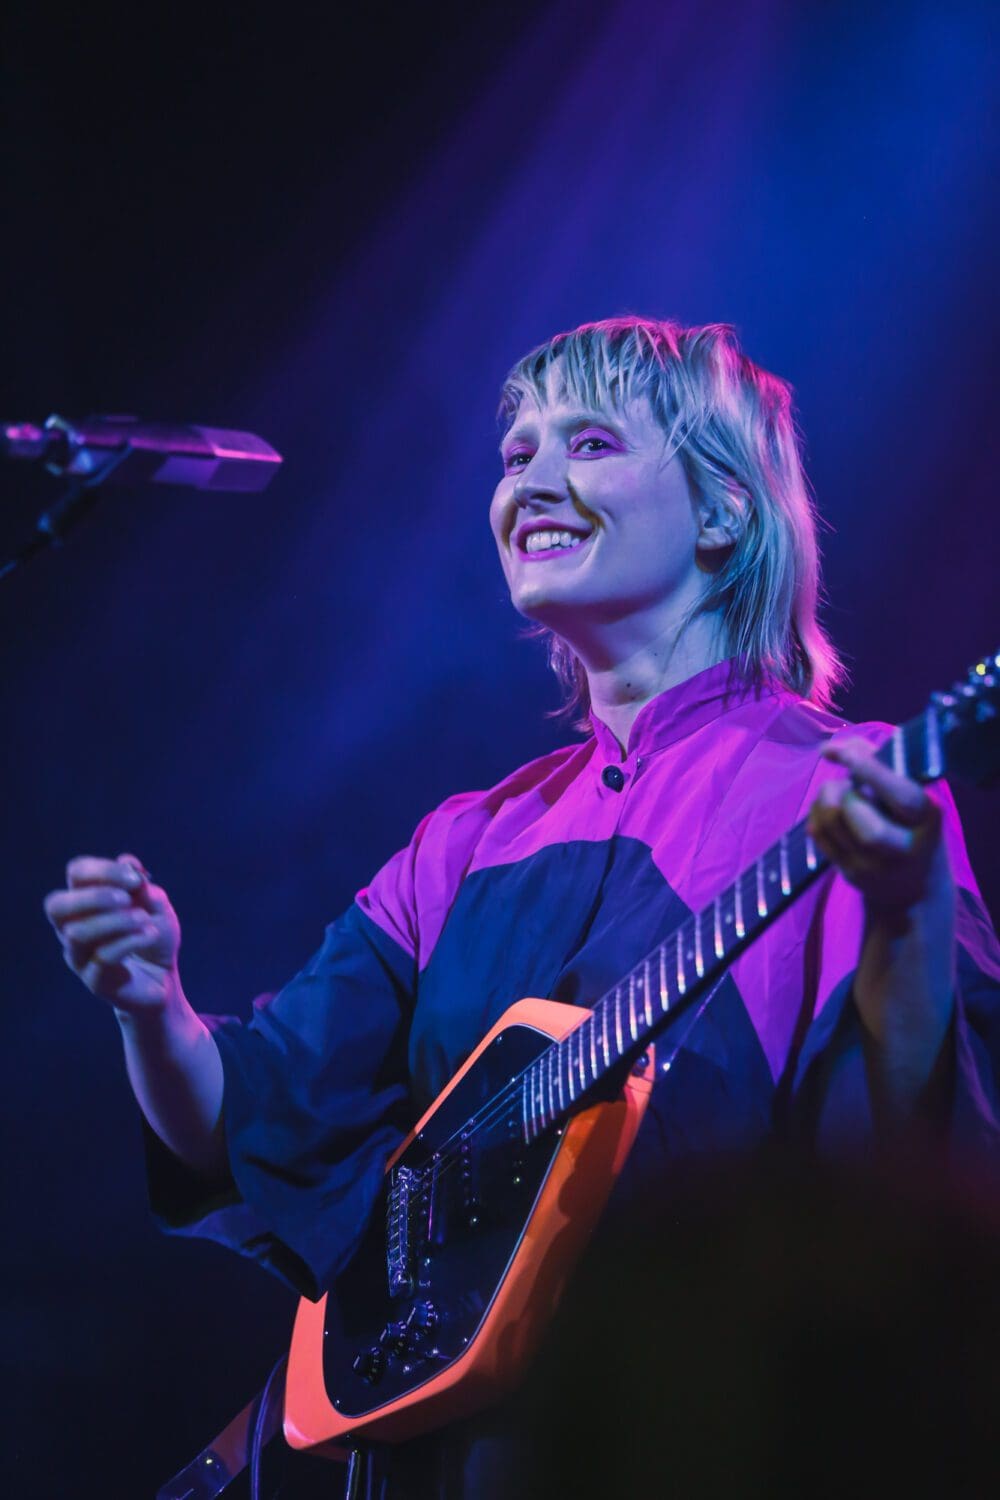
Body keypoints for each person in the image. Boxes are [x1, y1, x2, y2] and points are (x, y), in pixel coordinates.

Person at [44, 318, 999, 1496]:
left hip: (700, 1433)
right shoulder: (461, 842)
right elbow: (249, 1120)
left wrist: (901, 914)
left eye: (588, 443)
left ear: (723, 513)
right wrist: (151, 1006)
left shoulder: (848, 790)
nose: (529, 482)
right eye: (514, 453)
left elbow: (921, 1164)